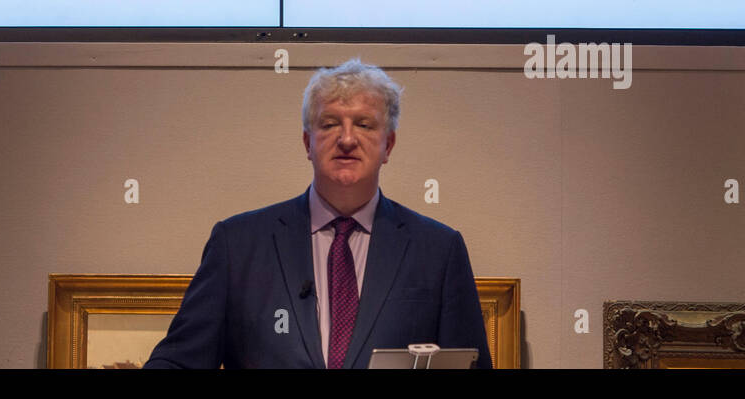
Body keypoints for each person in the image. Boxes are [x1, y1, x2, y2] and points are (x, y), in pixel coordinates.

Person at [144, 59, 492, 369]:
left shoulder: (438, 250)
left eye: (365, 125)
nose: (346, 139)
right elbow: (179, 360)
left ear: (388, 145)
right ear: (306, 143)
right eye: (329, 124)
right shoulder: (237, 245)